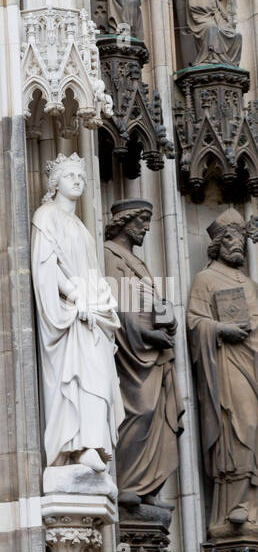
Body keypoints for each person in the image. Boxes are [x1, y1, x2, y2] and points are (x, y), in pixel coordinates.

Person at [31, 153, 123, 475]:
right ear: (55, 182)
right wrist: (74, 296)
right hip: (71, 314)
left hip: (92, 312)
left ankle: (92, 443)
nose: (77, 182)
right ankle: (78, 445)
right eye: (71, 176)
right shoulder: (46, 216)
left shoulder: (81, 227)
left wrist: (101, 299)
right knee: (80, 377)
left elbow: (92, 271)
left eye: (81, 178)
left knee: (98, 376)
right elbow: (45, 266)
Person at [104, 200, 183, 508]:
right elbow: (118, 306)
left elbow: (152, 300)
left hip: (153, 349)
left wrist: (167, 318)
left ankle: (147, 485)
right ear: (126, 221)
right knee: (139, 411)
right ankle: (126, 482)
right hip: (133, 351)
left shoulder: (138, 262)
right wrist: (146, 333)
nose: (148, 227)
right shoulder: (110, 254)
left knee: (159, 416)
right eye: (144, 220)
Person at [187, 209, 258, 538]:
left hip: (253, 360)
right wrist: (221, 329)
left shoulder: (249, 284)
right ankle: (234, 503)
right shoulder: (206, 280)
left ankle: (252, 506)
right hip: (226, 363)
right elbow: (195, 323)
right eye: (232, 239)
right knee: (241, 424)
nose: (239, 246)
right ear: (217, 243)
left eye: (242, 240)